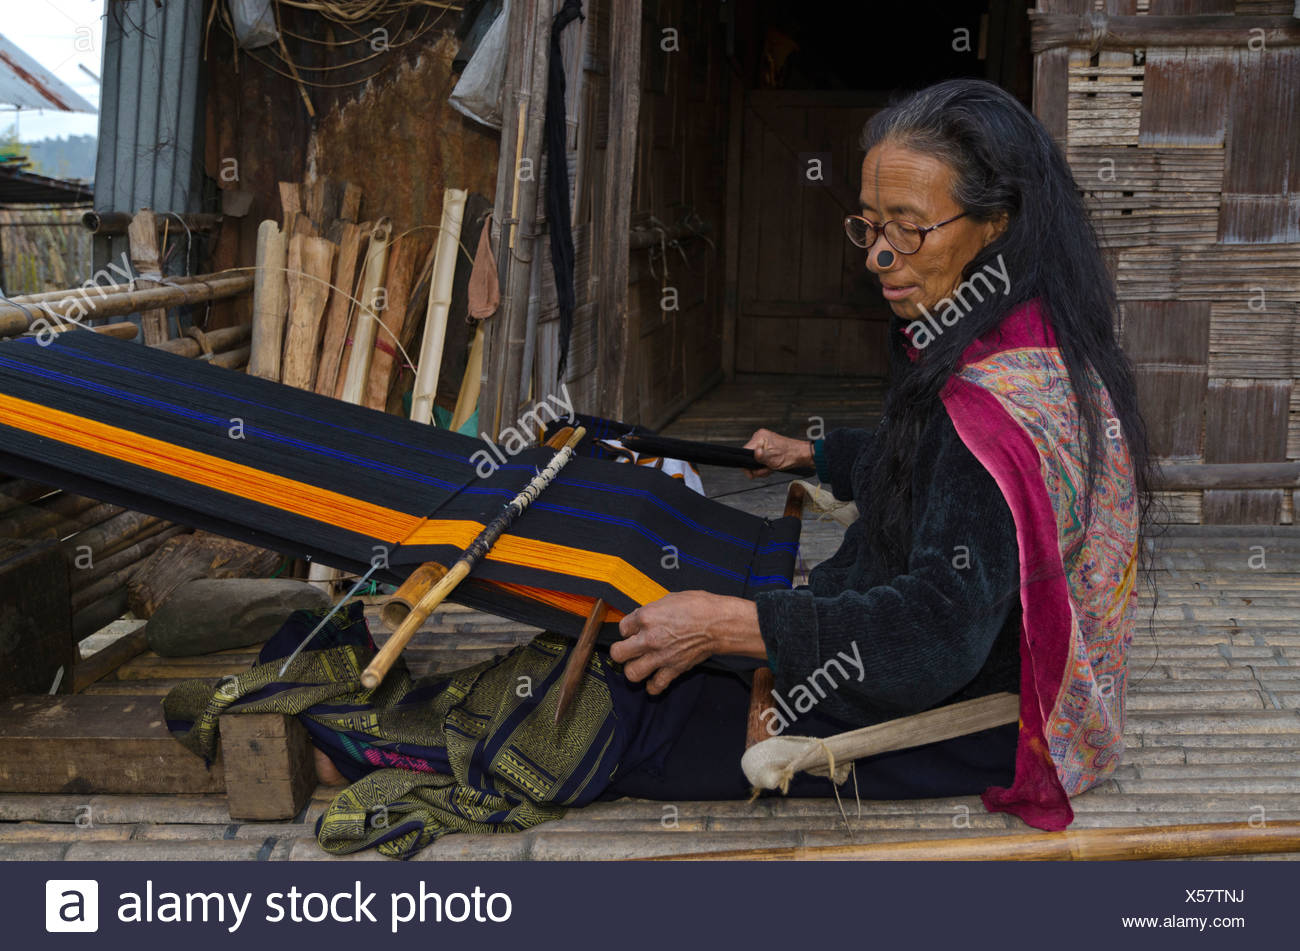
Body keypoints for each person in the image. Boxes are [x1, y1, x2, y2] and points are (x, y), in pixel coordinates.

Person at [166, 78, 1151, 857]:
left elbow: (936, 630)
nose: (878, 257)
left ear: (1000, 224)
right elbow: (928, 474)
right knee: (612, 653)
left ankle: (344, 745)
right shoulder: (1006, 338)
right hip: (963, 659)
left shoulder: (996, 406)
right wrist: (825, 455)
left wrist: (738, 628)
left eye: (908, 227)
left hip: (966, 713)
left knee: (604, 710)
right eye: (866, 224)